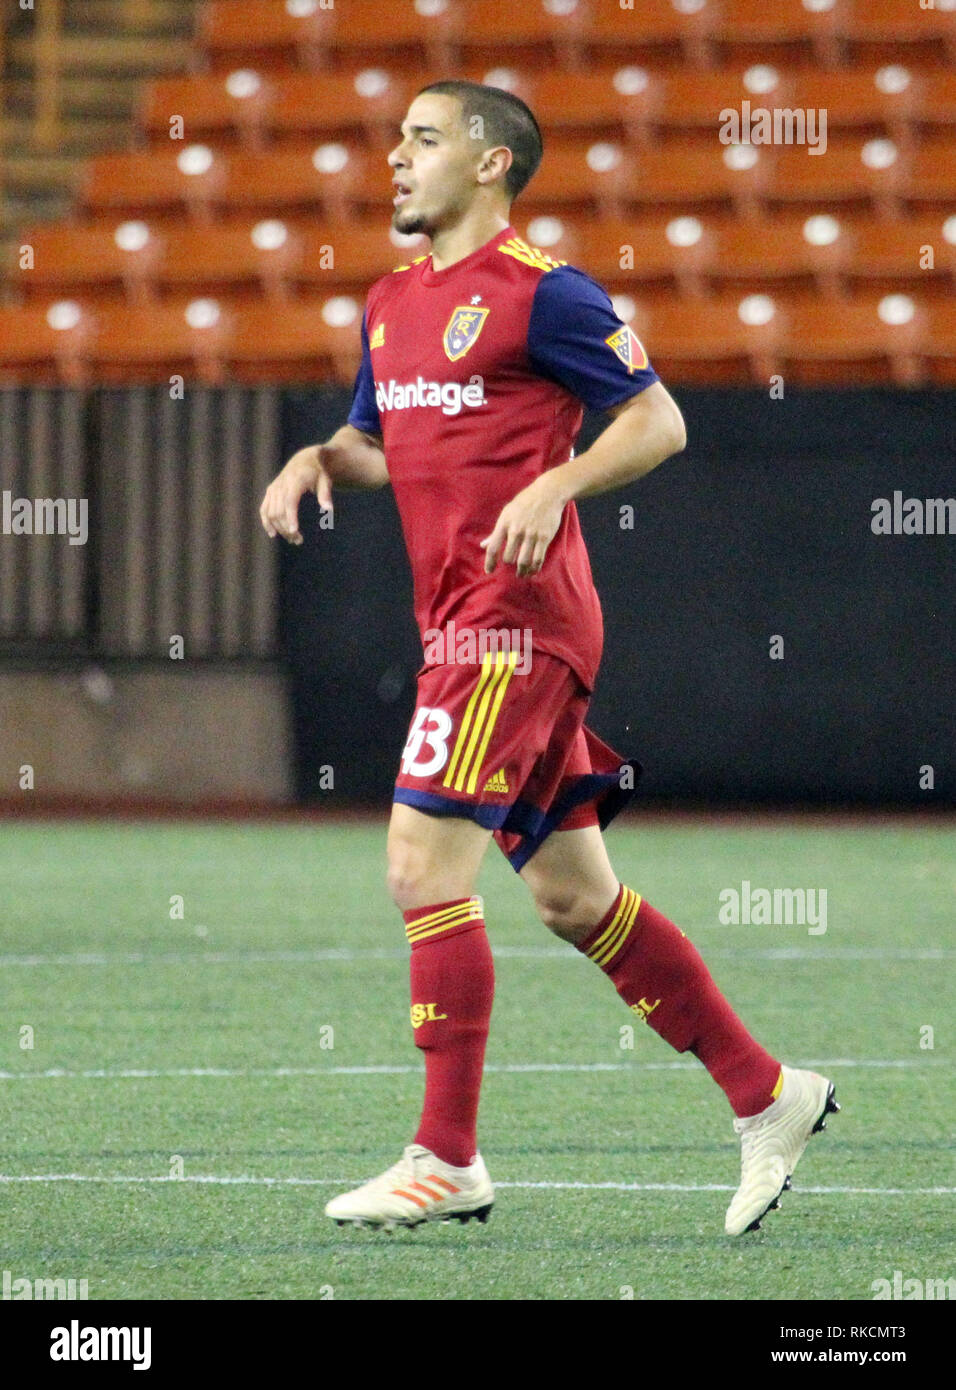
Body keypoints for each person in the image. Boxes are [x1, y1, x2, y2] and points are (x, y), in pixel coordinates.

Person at [259, 80, 838, 1237]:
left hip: (511, 628)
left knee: (422, 869)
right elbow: (380, 441)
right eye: (398, 139)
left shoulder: (545, 295)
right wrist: (316, 459)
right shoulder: (389, 303)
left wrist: (557, 480)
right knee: (575, 898)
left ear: (488, 164)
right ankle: (766, 1092)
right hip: (457, 628)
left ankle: (446, 1154)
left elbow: (657, 420)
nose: (396, 158)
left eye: (422, 139)